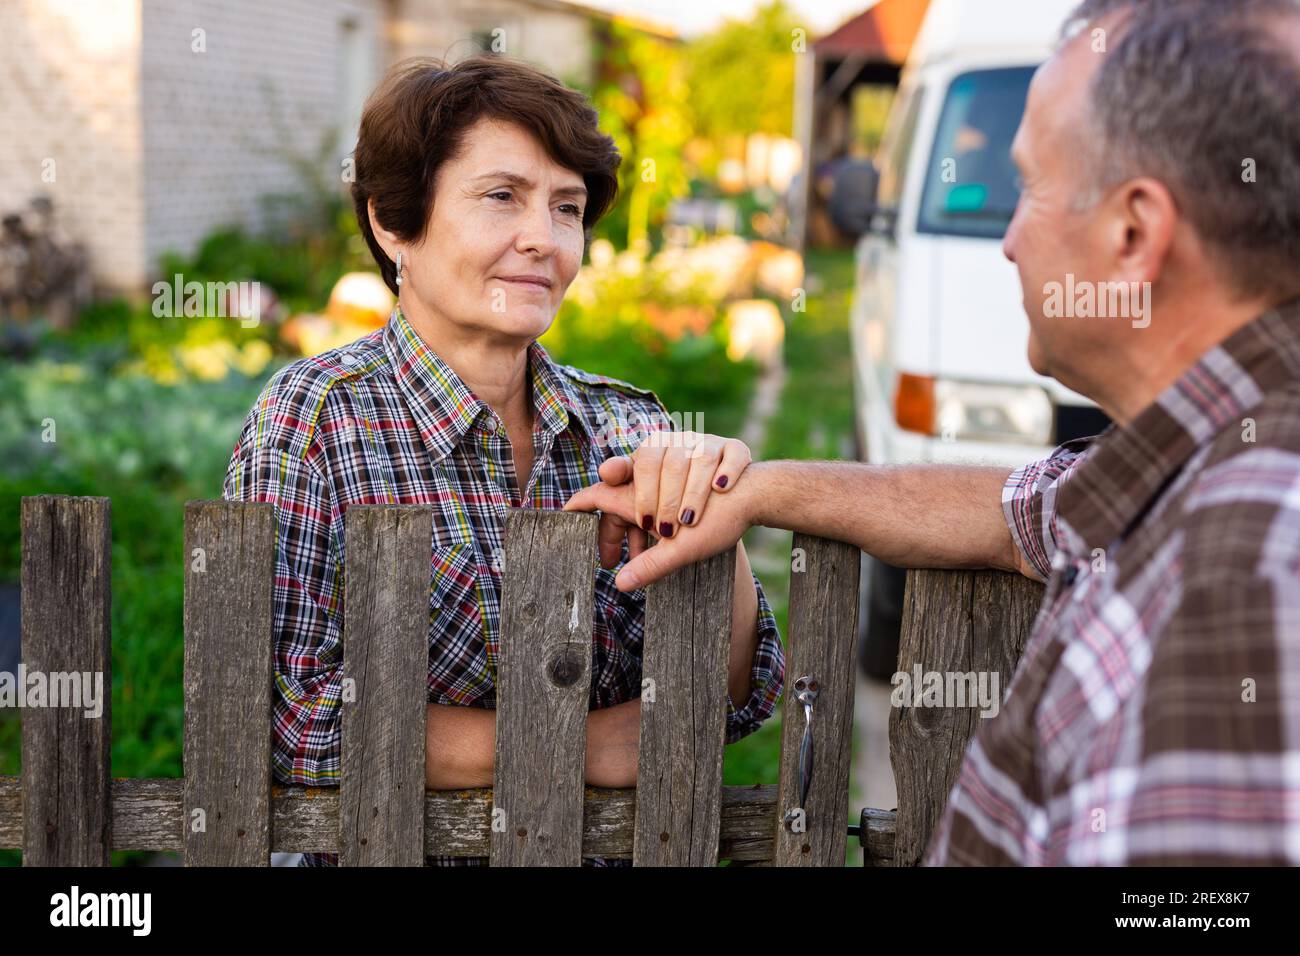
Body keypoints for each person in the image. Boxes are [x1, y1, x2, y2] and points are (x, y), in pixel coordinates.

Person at [567, 0, 1300, 865]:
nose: (1008, 243)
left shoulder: (1241, 580)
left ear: (1134, 233)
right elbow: (1007, 510)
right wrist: (757, 490)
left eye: (1027, 186)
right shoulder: (1197, 463)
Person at [221, 54, 785, 867]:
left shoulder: (631, 426)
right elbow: (292, 723)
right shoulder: (312, 423)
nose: (543, 239)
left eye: (567, 208)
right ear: (393, 221)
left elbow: (734, 695)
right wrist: (580, 747)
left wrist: (719, 512)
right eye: (501, 197)